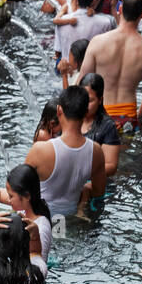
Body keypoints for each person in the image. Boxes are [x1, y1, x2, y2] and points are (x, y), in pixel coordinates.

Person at [79, 0, 142, 131]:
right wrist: (137, 117)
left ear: (120, 9)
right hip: (127, 118)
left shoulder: (98, 42)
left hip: (100, 114)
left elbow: (82, 82)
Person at [25, 84, 107, 218]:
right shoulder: (96, 152)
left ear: (59, 110)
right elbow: (98, 192)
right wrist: (83, 189)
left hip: (41, 220)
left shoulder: (40, 150)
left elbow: (21, 190)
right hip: (71, 217)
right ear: (86, 113)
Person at [0, 163, 54, 261]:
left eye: (11, 196)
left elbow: (36, 268)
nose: (8, 199)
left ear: (27, 196)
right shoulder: (27, 205)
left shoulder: (40, 229)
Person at [55, 0, 116, 66]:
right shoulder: (106, 22)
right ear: (95, 1)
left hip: (68, 73)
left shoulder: (62, 21)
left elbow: (58, 53)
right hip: (94, 74)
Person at [79, 72, 122, 175]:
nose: (84, 104)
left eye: (89, 101)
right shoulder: (70, 118)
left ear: (100, 100)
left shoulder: (107, 126)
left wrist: (80, 172)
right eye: (81, 99)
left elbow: (111, 166)